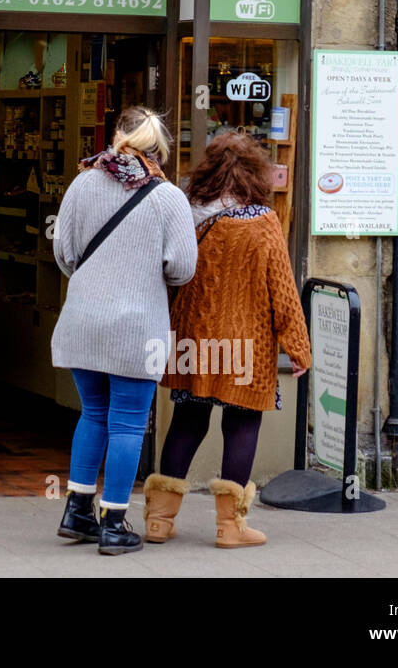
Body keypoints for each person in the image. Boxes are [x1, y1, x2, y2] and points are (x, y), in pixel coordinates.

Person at [145, 132, 311, 549]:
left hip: (192, 338)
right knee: (241, 423)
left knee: (186, 420)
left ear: (209, 170)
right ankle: (229, 528)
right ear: (254, 175)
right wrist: (298, 345)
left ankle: (159, 521)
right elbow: (282, 287)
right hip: (244, 345)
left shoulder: (185, 212)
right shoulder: (263, 222)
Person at [50, 107, 198, 554]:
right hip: (138, 327)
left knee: (92, 413)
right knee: (129, 423)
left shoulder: (82, 182)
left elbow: (65, 252)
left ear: (116, 137)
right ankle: (113, 520)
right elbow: (184, 268)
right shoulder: (168, 197)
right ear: (160, 149)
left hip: (81, 320)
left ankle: (77, 511)